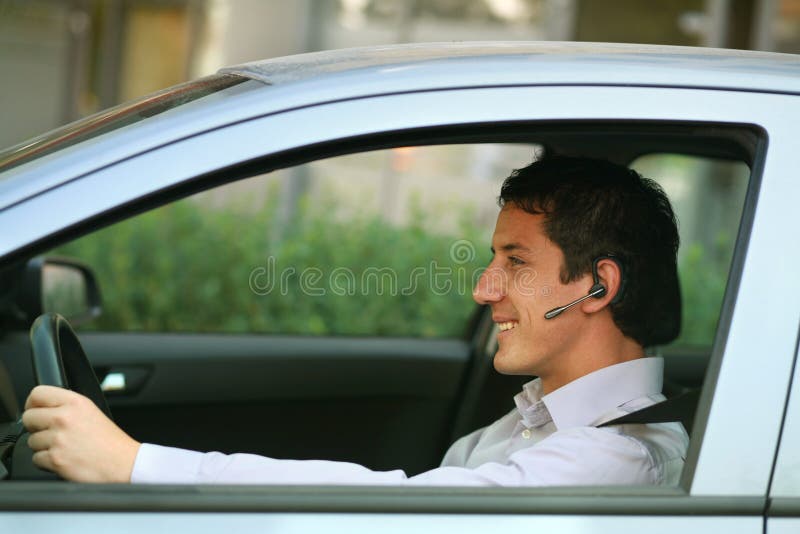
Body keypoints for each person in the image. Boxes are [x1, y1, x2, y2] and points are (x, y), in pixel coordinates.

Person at [21, 155, 688, 486]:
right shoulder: (526, 425)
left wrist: (136, 465)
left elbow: (396, 513)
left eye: (516, 261)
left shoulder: (619, 459)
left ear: (597, 285)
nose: (486, 288)